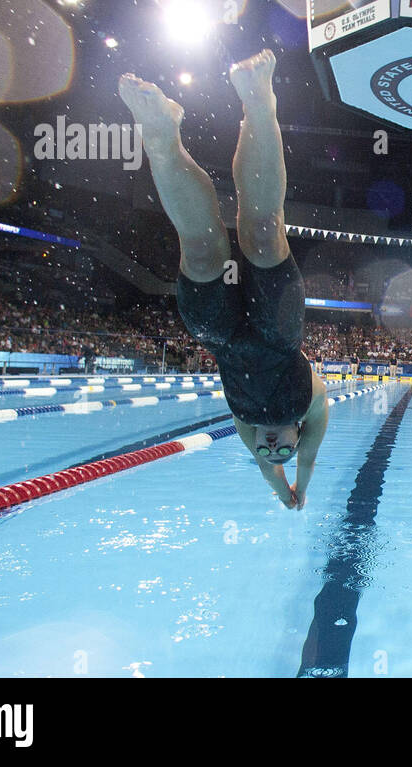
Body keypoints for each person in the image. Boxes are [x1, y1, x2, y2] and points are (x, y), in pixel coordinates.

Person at [118, 49, 327, 509]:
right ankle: (259, 104)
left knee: (199, 250)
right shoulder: (311, 409)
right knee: (264, 233)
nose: (274, 449)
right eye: (284, 448)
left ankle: (160, 135)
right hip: (279, 335)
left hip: (222, 337)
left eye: (267, 450)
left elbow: (267, 469)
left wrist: (279, 492)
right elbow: (303, 464)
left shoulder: (246, 427)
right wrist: (300, 491)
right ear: (298, 435)